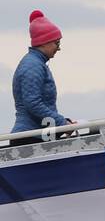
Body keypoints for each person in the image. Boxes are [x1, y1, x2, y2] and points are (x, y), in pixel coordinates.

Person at [11, 10, 73, 144]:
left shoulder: (34, 63)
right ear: (45, 42)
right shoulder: (33, 66)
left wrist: (62, 122)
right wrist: (61, 122)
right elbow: (33, 104)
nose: (59, 48)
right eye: (57, 43)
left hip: (35, 136)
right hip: (30, 139)